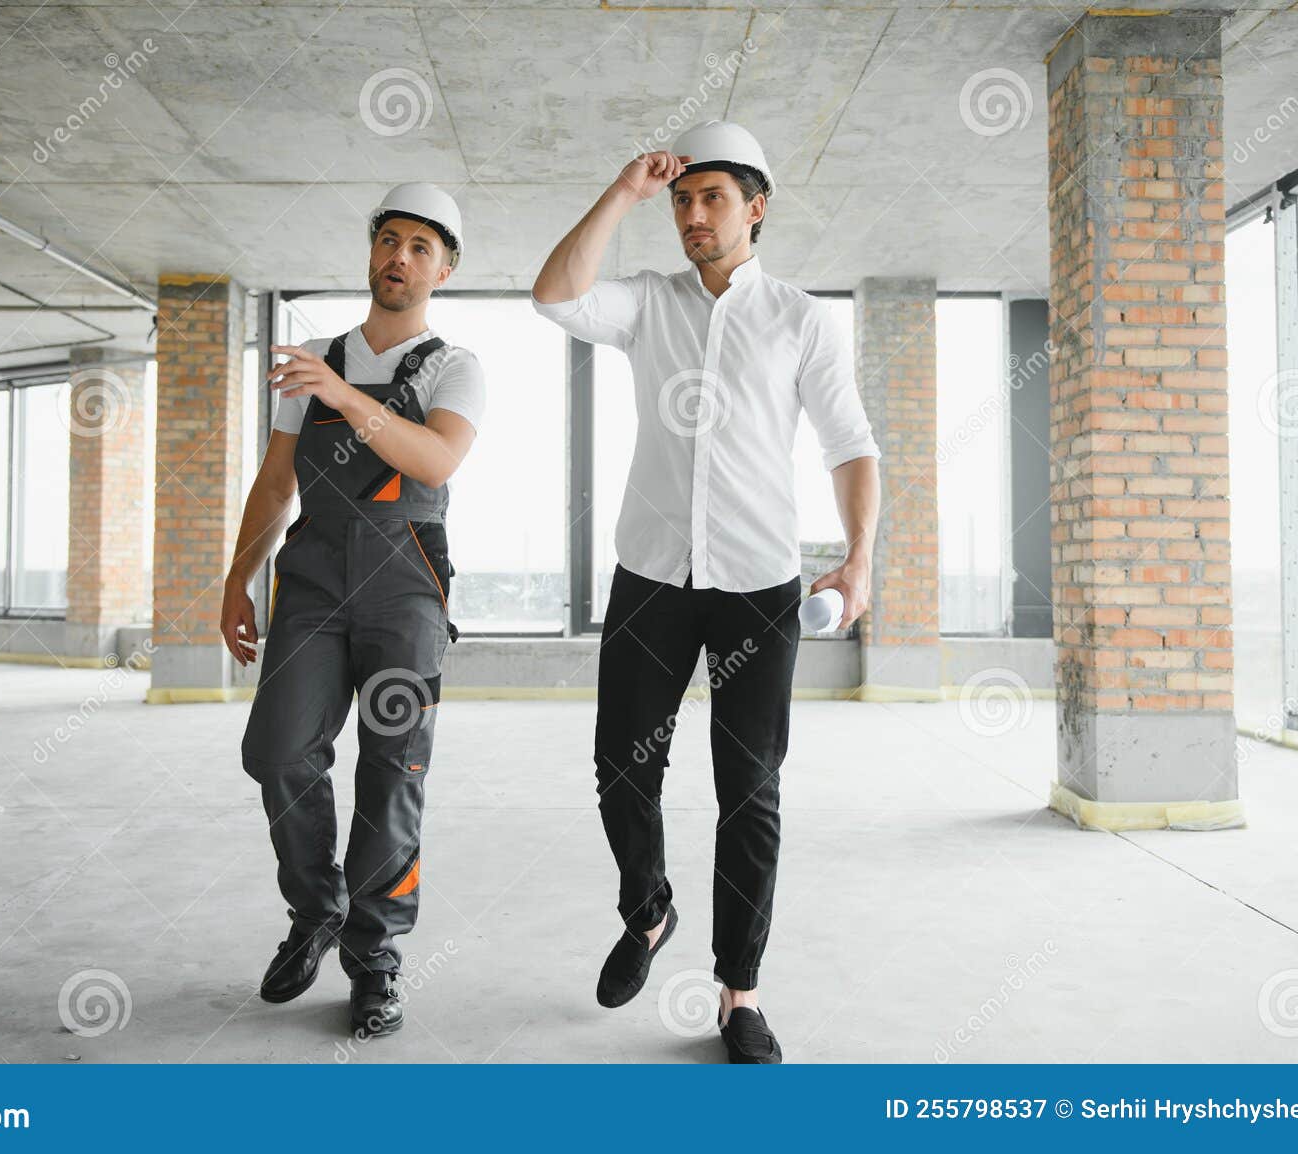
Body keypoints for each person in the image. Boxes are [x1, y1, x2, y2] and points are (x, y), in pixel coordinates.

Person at [531, 121, 881, 1063]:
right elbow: (553, 293)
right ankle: (648, 912)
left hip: (758, 587)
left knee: (749, 793)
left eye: (711, 197)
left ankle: (739, 994)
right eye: (683, 199)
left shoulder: (803, 318)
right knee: (620, 768)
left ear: (756, 207)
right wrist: (622, 192)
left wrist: (859, 557)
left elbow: (851, 443)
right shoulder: (647, 304)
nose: (692, 214)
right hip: (650, 576)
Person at [222, 183, 484, 1039]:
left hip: (406, 587)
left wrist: (340, 393)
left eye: (419, 247)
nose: (398, 258)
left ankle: (375, 960)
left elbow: (435, 460)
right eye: (388, 241)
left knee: (391, 771)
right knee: (277, 749)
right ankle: (317, 909)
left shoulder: (452, 367)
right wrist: (237, 578)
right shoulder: (316, 360)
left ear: (443, 268)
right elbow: (275, 479)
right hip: (312, 584)